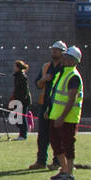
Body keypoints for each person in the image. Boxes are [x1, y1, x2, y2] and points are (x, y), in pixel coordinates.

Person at [48, 45, 83, 180]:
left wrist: (62, 117)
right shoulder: (61, 73)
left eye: (66, 57)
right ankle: (63, 169)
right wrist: (49, 111)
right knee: (56, 144)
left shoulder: (73, 76)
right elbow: (55, 94)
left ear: (73, 60)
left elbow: (71, 99)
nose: (63, 59)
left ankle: (69, 173)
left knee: (68, 144)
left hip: (67, 117)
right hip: (55, 115)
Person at [28, 41, 66, 170]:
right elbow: (38, 85)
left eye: (57, 50)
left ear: (62, 53)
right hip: (44, 104)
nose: (53, 52)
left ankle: (57, 162)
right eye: (53, 49)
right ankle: (41, 161)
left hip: (58, 105)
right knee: (43, 135)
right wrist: (44, 79)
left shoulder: (65, 68)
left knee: (57, 135)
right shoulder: (46, 67)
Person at [11, 59, 32, 140]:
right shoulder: (17, 76)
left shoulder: (22, 76)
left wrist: (21, 101)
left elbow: (25, 90)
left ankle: (23, 135)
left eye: (15, 66)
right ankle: (21, 134)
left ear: (18, 67)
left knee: (22, 117)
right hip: (18, 99)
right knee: (17, 118)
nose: (14, 68)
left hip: (22, 100)